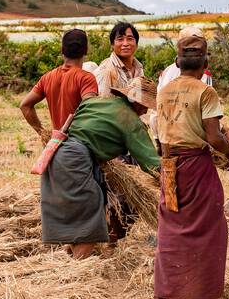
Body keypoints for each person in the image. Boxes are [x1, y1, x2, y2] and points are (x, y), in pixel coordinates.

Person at [153, 29, 229, 299]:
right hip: (195, 166)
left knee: (170, 230)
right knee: (209, 228)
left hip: (169, 166)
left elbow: (158, 132)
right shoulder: (206, 91)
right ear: (205, 64)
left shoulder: (164, 91)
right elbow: (214, 137)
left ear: (178, 63)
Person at [39, 80, 160, 259]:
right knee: (90, 214)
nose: (146, 110)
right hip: (77, 160)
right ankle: (79, 270)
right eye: (145, 105)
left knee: (76, 212)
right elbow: (151, 163)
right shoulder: (129, 119)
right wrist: (172, 177)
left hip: (57, 153)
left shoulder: (95, 102)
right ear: (136, 102)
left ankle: (70, 258)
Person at [20, 29, 99, 139]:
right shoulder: (86, 78)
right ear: (86, 50)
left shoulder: (47, 77)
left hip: (57, 145)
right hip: (80, 146)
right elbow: (91, 110)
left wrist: (43, 133)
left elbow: (25, 105)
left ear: (62, 50)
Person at [94, 21, 145, 98]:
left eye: (130, 39)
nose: (125, 44)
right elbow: (101, 105)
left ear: (136, 44)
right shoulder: (106, 71)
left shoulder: (139, 68)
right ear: (112, 45)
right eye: (120, 39)